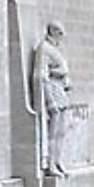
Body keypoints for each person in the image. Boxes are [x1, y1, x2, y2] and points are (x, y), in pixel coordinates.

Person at [32, 21, 72, 176]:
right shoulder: (44, 49)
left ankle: (57, 161)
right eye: (60, 33)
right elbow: (41, 75)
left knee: (62, 131)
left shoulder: (54, 49)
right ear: (53, 32)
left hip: (61, 92)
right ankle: (50, 164)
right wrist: (49, 101)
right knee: (52, 133)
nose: (62, 37)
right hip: (53, 94)